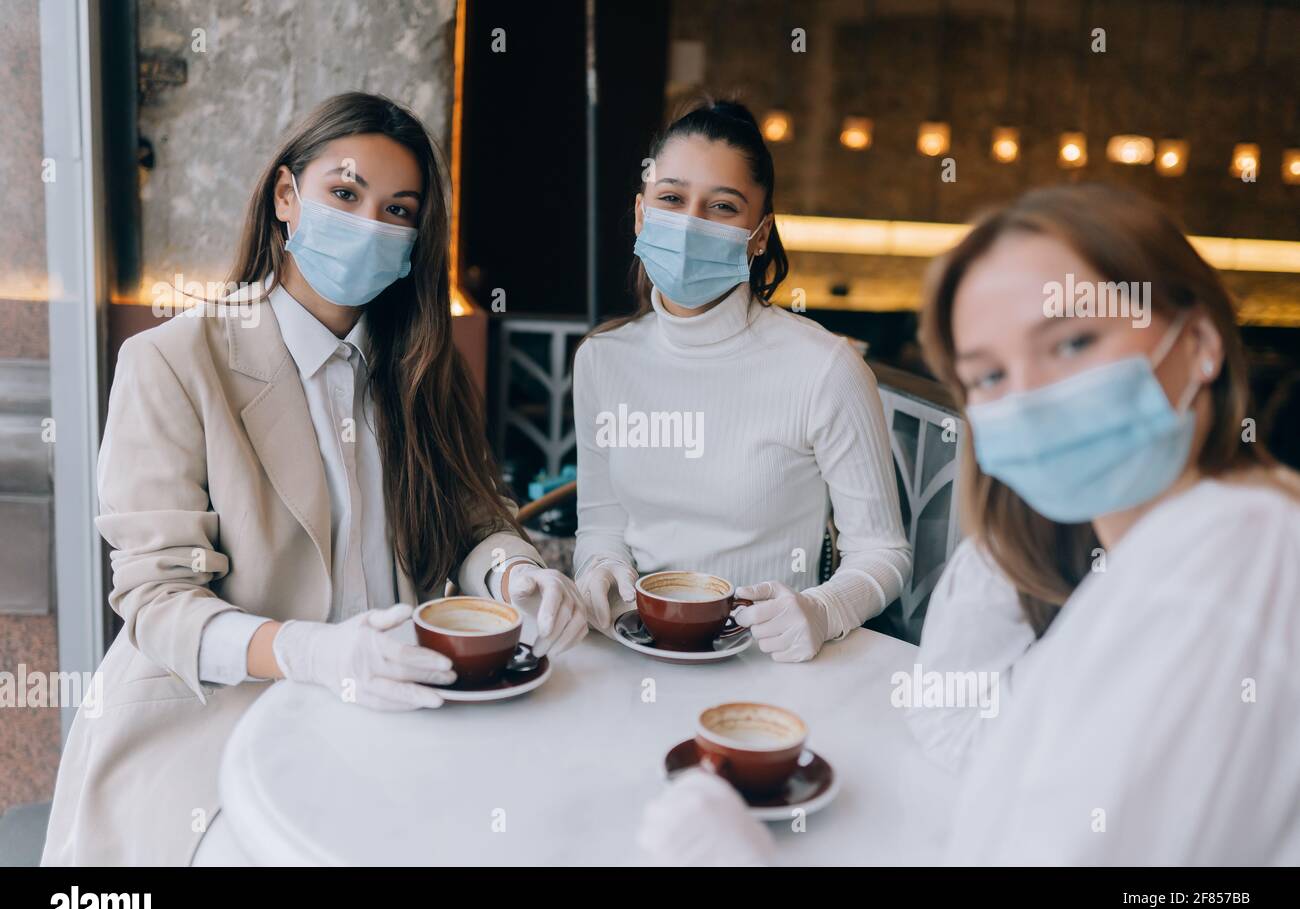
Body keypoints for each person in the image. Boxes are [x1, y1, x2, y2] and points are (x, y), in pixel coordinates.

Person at [639, 184, 1300, 865]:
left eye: (1071, 340)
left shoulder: (1228, 570)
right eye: (988, 377)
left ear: (1199, 343)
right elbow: (957, 719)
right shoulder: (1151, 554)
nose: (1031, 397)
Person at [42, 92, 587, 867]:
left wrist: (515, 573)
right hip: (214, 726)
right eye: (345, 193)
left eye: (399, 209)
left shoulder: (420, 367)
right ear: (287, 197)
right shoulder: (173, 362)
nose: (371, 223)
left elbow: (474, 522)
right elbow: (158, 602)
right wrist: (310, 654)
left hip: (396, 713)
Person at [573, 98, 911, 663]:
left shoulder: (825, 368)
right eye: (672, 199)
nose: (689, 224)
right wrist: (600, 572)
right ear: (641, 214)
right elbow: (602, 527)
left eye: (722, 207)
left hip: (772, 660)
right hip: (636, 651)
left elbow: (883, 553)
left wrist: (823, 612)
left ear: (759, 233)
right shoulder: (602, 360)